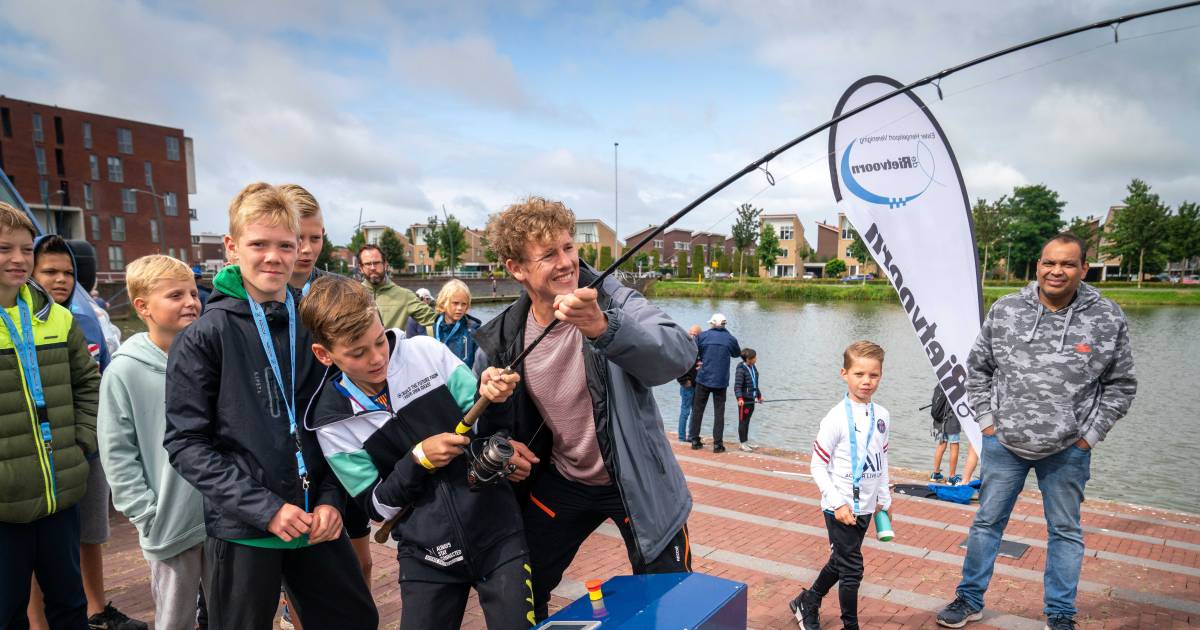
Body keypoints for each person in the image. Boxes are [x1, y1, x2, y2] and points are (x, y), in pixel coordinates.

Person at [163, 183, 377, 630]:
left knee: (355, 619)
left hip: (317, 520)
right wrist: (265, 509)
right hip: (247, 530)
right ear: (232, 246)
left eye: (285, 245)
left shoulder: (312, 321)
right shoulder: (203, 336)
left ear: (300, 246)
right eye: (258, 244)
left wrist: (332, 498)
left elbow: (333, 418)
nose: (273, 257)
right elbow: (186, 444)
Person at [476, 197, 696, 622]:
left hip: (636, 479)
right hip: (565, 479)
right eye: (549, 254)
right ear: (516, 269)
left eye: (569, 247)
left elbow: (680, 353)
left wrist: (603, 327)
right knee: (517, 588)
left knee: (671, 601)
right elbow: (489, 429)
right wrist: (501, 439)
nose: (566, 262)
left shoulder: (612, 298)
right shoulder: (501, 338)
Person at [299, 276, 530, 629]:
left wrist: (495, 398)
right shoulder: (329, 422)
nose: (377, 358)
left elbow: (491, 433)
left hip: (498, 533)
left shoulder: (427, 352)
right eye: (358, 353)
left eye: (379, 341)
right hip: (425, 557)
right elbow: (376, 508)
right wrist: (417, 460)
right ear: (323, 354)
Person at [936, 233, 1137, 630]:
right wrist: (987, 423)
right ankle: (969, 599)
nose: (1056, 271)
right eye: (1049, 263)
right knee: (986, 524)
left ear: (1083, 269)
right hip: (1004, 444)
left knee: (1065, 531)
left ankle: (1060, 614)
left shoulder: (1106, 316)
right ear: (1038, 266)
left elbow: (1122, 385)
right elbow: (977, 369)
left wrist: (1090, 436)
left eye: (1066, 264)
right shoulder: (1007, 309)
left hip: (1068, 450)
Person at [30, 235, 144, 630]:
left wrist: (86, 438)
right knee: (38, 548)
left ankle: (96, 609)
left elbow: (96, 381)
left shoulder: (86, 317)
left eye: (67, 272)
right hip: (39, 454)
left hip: (86, 446)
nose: (60, 280)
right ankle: (37, 621)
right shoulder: (19, 322)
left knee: (92, 532)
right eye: (49, 272)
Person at [0, 202, 101, 629]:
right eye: (5, 248)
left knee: (70, 604)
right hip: (4, 504)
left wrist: (80, 443)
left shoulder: (57, 318)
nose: (19, 259)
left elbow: (89, 385)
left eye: (26, 249)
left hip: (60, 488)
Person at [278, 184, 370, 630]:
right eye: (298, 239)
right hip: (298, 455)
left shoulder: (334, 290)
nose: (307, 249)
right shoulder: (263, 305)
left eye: (315, 238)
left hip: (342, 441)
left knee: (358, 557)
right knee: (304, 573)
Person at [98, 255, 206, 630]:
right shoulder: (123, 371)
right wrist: (147, 514)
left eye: (193, 292)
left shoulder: (208, 356)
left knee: (229, 612)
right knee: (175, 619)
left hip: (224, 515)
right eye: (176, 295)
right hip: (170, 523)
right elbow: (117, 452)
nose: (191, 302)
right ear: (142, 306)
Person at [789, 341, 892, 630]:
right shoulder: (835, 418)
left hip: (868, 505)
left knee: (842, 561)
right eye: (859, 374)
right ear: (844, 373)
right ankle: (851, 625)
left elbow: (882, 459)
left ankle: (807, 600)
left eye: (873, 375)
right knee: (853, 569)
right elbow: (817, 466)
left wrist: (884, 499)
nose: (866, 382)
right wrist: (838, 503)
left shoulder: (882, 415)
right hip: (841, 507)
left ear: (881, 376)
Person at [690, 313, 741, 453]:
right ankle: (718, 444)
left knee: (698, 410)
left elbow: (693, 351)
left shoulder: (703, 336)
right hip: (721, 381)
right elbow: (736, 353)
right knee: (719, 413)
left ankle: (694, 440)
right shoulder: (730, 338)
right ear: (724, 324)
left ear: (712, 324)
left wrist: (700, 360)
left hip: (703, 378)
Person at [357, 245, 437, 332]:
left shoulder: (404, 296)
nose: (372, 268)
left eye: (376, 263)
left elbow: (438, 322)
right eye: (368, 264)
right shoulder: (351, 296)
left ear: (385, 264)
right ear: (361, 268)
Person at [432, 279, 486, 374]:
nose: (460, 308)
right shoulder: (431, 328)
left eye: (464, 304)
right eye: (455, 303)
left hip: (465, 385)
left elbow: (480, 367)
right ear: (443, 303)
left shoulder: (474, 331)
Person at [675, 325, 702, 442]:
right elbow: (677, 365)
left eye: (696, 334)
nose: (693, 335)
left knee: (695, 411)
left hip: (698, 384)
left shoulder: (700, 348)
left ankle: (691, 436)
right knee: (685, 411)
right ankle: (681, 437)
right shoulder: (683, 347)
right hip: (687, 384)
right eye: (691, 333)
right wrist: (683, 380)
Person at [734, 347, 764, 452]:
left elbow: (754, 383)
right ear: (748, 359)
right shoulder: (741, 369)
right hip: (744, 400)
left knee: (747, 421)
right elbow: (737, 386)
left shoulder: (753, 367)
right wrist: (739, 398)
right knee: (743, 421)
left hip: (752, 399)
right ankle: (742, 443)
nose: (756, 359)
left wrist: (759, 396)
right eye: (754, 357)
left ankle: (745, 441)